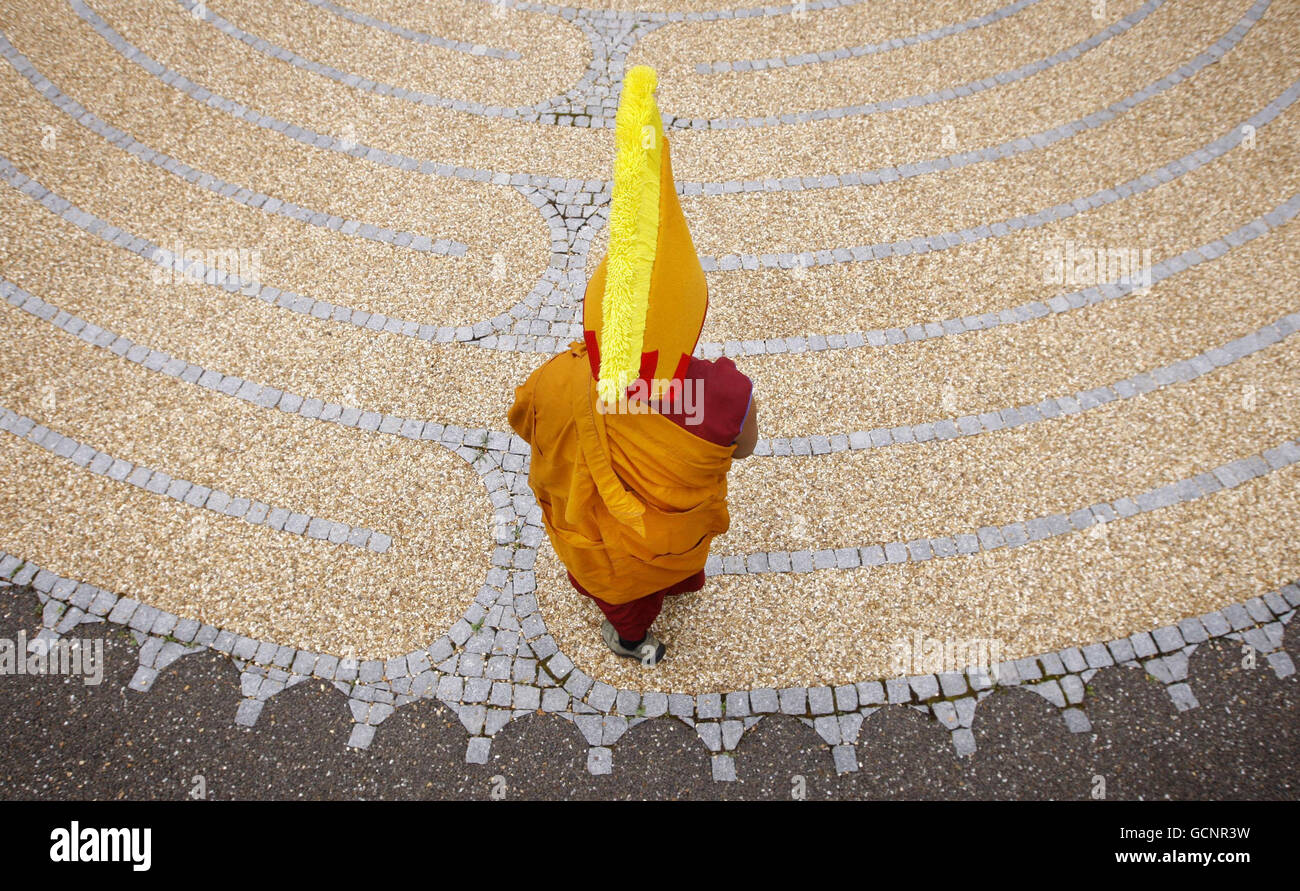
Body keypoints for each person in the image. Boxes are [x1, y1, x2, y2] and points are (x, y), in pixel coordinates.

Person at [507, 65, 759, 667]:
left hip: (592, 534)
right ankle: (638, 634)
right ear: (690, 318)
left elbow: (525, 421)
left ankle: (629, 636)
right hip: (671, 539)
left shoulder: (558, 377)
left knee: (623, 596)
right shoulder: (722, 394)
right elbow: (743, 449)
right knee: (665, 566)